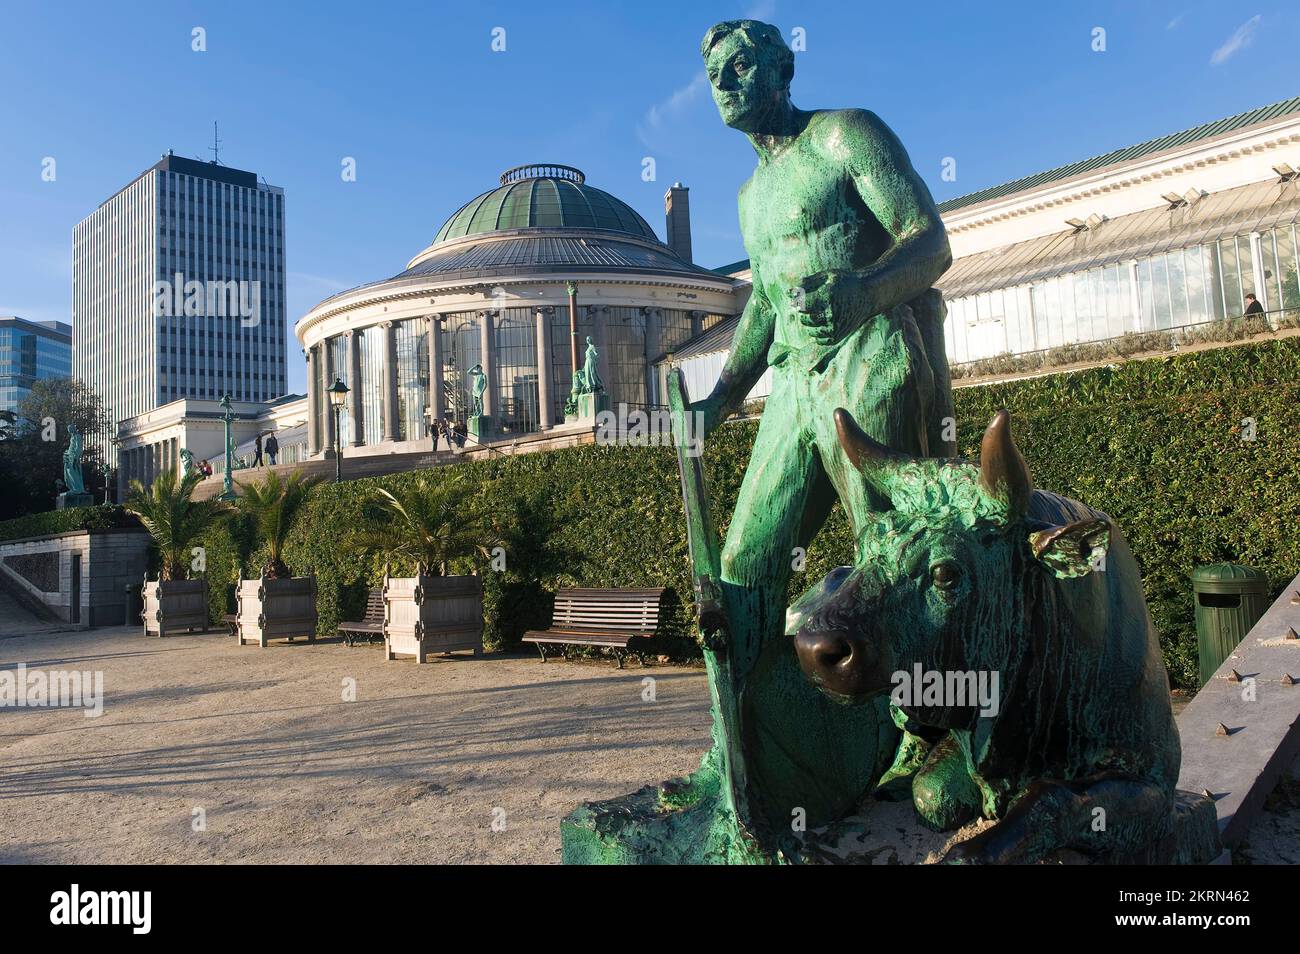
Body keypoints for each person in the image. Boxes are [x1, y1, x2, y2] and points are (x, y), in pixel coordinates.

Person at [681, 19, 955, 846]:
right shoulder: (748, 195)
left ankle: (934, 741)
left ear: (782, 67)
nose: (724, 83)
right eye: (713, 74)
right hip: (794, 386)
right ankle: (753, 751)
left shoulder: (845, 134)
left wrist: (867, 292)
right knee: (742, 566)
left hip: (870, 353)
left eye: (739, 66)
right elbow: (763, 303)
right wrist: (719, 401)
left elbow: (932, 240)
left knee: (894, 553)